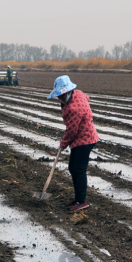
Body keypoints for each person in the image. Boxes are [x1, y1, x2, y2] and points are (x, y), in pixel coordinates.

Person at [47, 75, 99, 212]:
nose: (59, 98)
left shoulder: (73, 109)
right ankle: (77, 199)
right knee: (73, 168)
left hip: (85, 139)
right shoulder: (78, 93)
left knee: (78, 169)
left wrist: (62, 144)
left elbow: (72, 131)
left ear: (68, 92)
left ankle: (81, 201)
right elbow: (87, 97)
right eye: (59, 96)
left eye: (61, 95)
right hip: (81, 138)